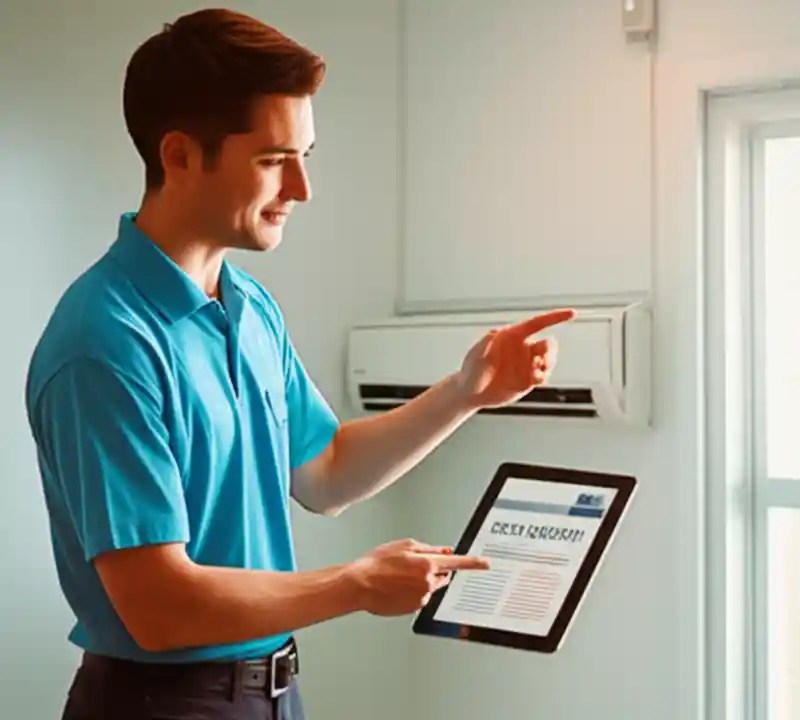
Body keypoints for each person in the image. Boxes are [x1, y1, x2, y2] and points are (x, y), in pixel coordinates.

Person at [25, 9, 574, 720]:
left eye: (305, 157)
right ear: (181, 155)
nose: (301, 190)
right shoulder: (103, 341)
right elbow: (158, 608)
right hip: (161, 705)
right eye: (273, 161)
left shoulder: (248, 306)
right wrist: (355, 584)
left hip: (271, 695)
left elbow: (326, 473)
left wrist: (465, 393)